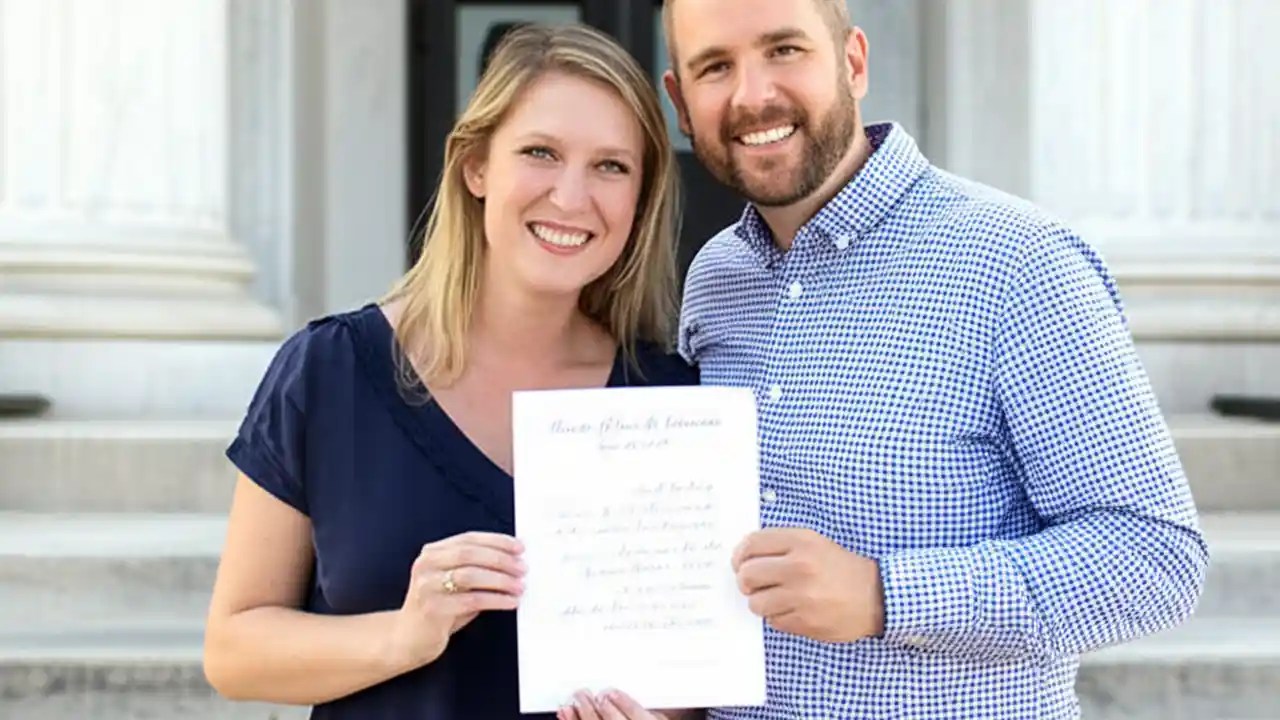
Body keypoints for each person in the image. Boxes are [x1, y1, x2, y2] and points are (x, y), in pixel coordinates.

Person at [660, 0, 1209, 717]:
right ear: (680, 101)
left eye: (785, 50)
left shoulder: (1020, 265)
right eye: (716, 66)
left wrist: (886, 595)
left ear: (852, 62)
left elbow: (1154, 560)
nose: (753, 93)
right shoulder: (715, 281)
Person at [204, 23, 700, 720]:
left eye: (611, 167)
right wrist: (404, 638)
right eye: (540, 153)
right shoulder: (328, 371)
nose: (570, 195)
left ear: (640, 198)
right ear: (475, 167)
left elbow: (690, 675)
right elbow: (234, 651)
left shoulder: (669, 399)